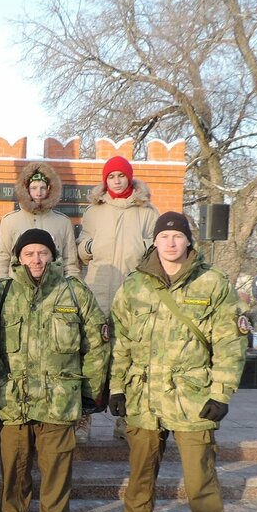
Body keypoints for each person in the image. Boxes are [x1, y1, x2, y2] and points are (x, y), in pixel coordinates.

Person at [102, 212, 248, 512]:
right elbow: (121, 343)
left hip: (192, 397)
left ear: (188, 242)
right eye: (164, 236)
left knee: (201, 481)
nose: (170, 242)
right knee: (140, 473)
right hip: (144, 396)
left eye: (177, 236)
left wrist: (221, 392)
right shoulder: (134, 286)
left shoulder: (212, 283)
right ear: (155, 241)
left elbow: (230, 343)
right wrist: (117, 388)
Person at [0, 229, 109, 512]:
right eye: (29, 254)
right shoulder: (1, 294)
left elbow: (96, 344)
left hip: (58, 403)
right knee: (13, 474)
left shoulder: (73, 292)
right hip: (13, 402)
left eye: (42, 253)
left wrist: (90, 391)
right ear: (18, 258)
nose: (36, 260)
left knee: (56, 475)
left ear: (52, 256)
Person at [78, 155, 160, 441]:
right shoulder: (94, 211)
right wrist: (91, 245)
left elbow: (156, 248)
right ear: (105, 181)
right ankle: (84, 418)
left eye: (121, 176)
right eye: (111, 176)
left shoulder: (147, 211)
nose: (116, 180)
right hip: (98, 288)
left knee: (130, 355)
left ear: (129, 178)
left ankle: (124, 418)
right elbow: (81, 248)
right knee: (93, 354)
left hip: (133, 290)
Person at [0, 161, 80, 281]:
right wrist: (0, 289)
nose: (38, 193)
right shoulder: (9, 221)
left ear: (50, 190)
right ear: (26, 189)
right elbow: (4, 260)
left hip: (54, 289)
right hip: (17, 290)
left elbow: (70, 263)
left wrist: (75, 289)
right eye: (34, 188)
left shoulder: (63, 222)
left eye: (43, 188)